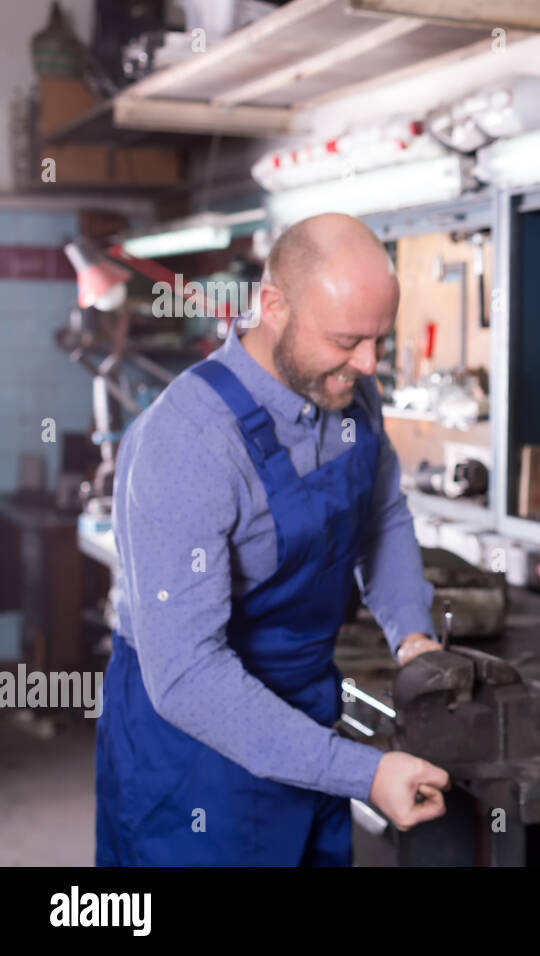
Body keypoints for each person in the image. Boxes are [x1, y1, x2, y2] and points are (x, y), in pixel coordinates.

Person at [96, 213, 450, 866]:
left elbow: (381, 516)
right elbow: (185, 676)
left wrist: (413, 636)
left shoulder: (352, 394)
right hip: (194, 756)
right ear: (273, 306)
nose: (368, 364)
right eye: (348, 339)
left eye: (379, 340)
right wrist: (365, 774)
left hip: (309, 716)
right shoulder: (189, 441)